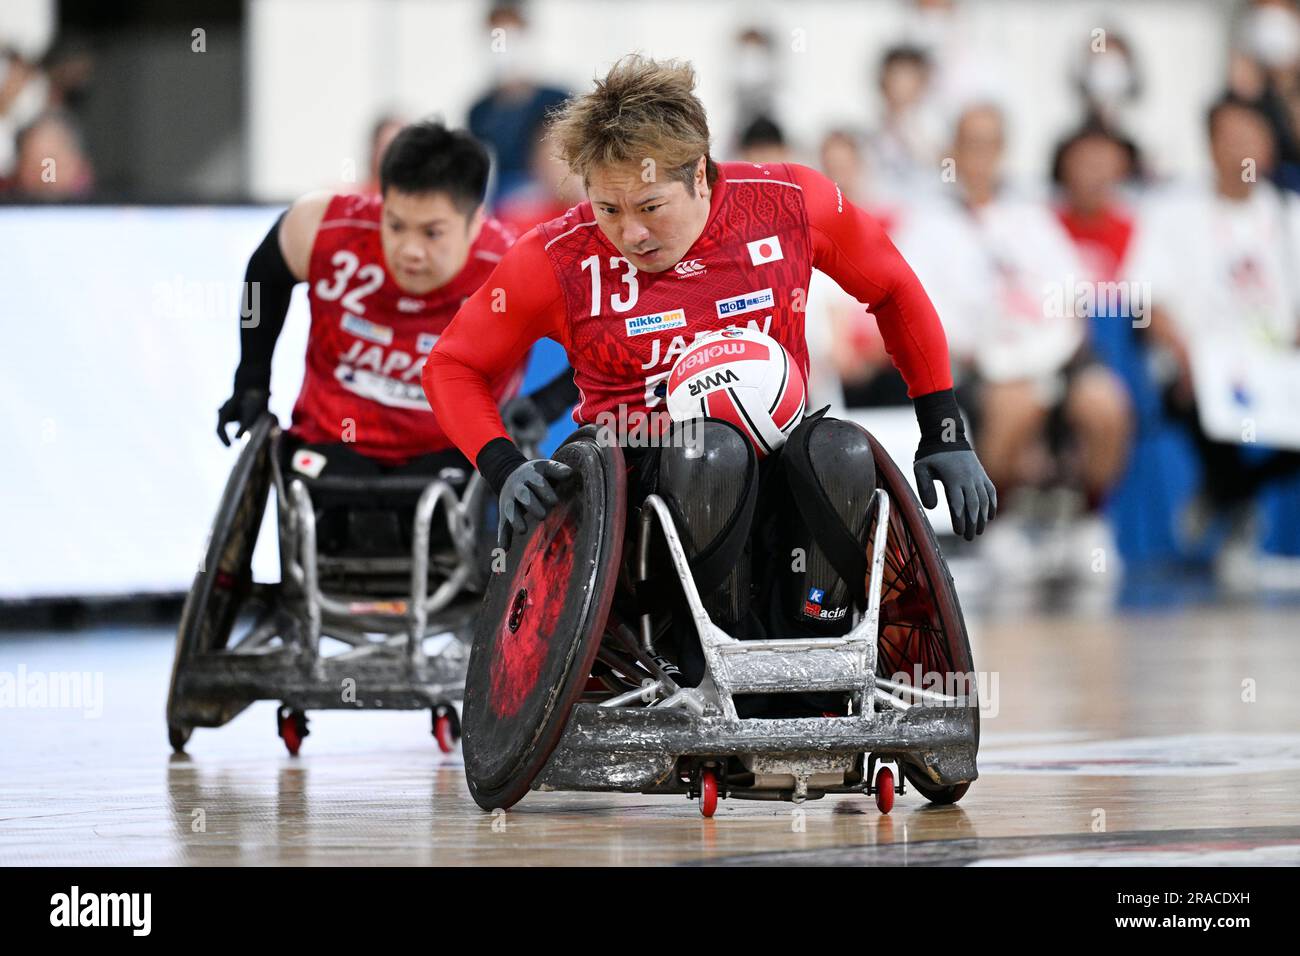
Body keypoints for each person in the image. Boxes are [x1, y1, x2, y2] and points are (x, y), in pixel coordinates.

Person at [423, 56, 995, 672]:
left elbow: (895, 292)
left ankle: (817, 636)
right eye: (607, 209)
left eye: (649, 206)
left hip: (781, 457)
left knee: (843, 449)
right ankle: (709, 646)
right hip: (639, 488)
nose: (631, 233)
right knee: (711, 449)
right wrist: (501, 463)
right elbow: (452, 365)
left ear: (699, 174)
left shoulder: (791, 202)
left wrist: (944, 429)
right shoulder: (554, 257)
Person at [215, 120, 575, 551]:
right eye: (396, 224)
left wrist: (547, 403)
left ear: (475, 220)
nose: (409, 249)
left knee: (445, 521)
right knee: (329, 515)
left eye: (431, 232)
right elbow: (262, 276)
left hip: (451, 457)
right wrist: (251, 379)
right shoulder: (324, 228)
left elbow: (598, 342)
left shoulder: (512, 265)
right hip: (335, 444)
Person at [1127, 96, 1300, 560]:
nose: (1242, 148)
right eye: (1231, 137)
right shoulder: (1171, 210)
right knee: (1210, 400)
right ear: (1210, 145)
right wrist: (1182, 352)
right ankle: (1235, 510)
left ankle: (1225, 496)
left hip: (1277, 369)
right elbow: (1144, 299)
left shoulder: (1290, 215)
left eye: (1252, 136)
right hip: (1197, 367)